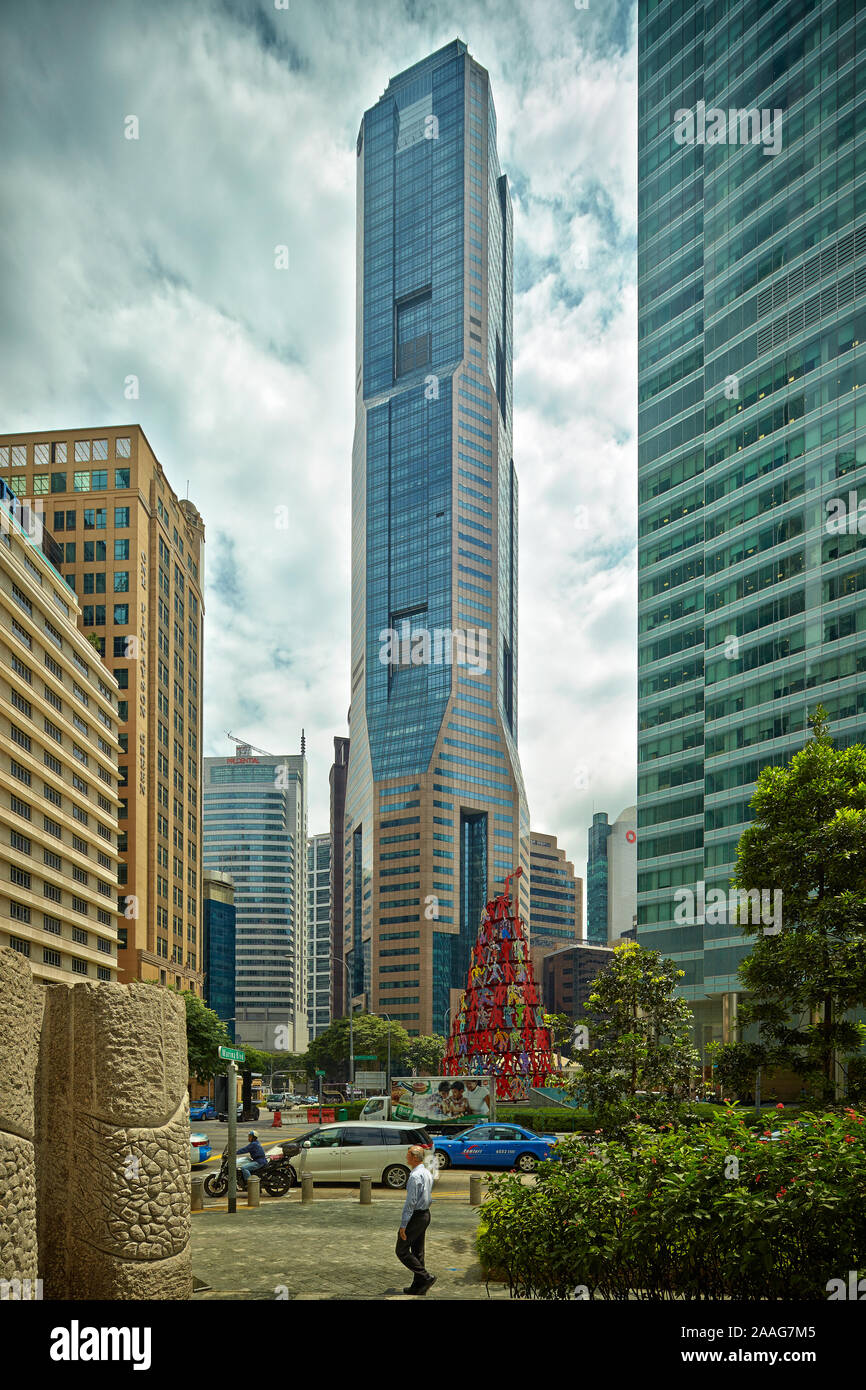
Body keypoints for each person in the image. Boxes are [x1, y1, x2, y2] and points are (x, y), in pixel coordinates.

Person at [396, 1145, 436, 1295]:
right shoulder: (426, 1172)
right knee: (418, 1252)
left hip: (416, 1216)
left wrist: (403, 1225)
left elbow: (410, 1203)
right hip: (425, 1215)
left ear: (414, 1157)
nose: (406, 1157)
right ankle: (418, 1287)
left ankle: (426, 1277)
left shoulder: (414, 1176)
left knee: (401, 1250)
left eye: (407, 1155)